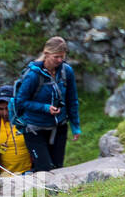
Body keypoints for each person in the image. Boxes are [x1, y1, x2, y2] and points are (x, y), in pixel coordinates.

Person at [14, 37, 81, 172]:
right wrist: (44, 108)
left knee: (57, 168)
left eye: (62, 57)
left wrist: (75, 126)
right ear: (46, 54)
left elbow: (72, 99)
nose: (60, 60)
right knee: (44, 169)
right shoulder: (33, 75)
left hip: (58, 127)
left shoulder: (66, 71)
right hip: (35, 129)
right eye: (56, 57)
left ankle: (56, 193)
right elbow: (20, 101)